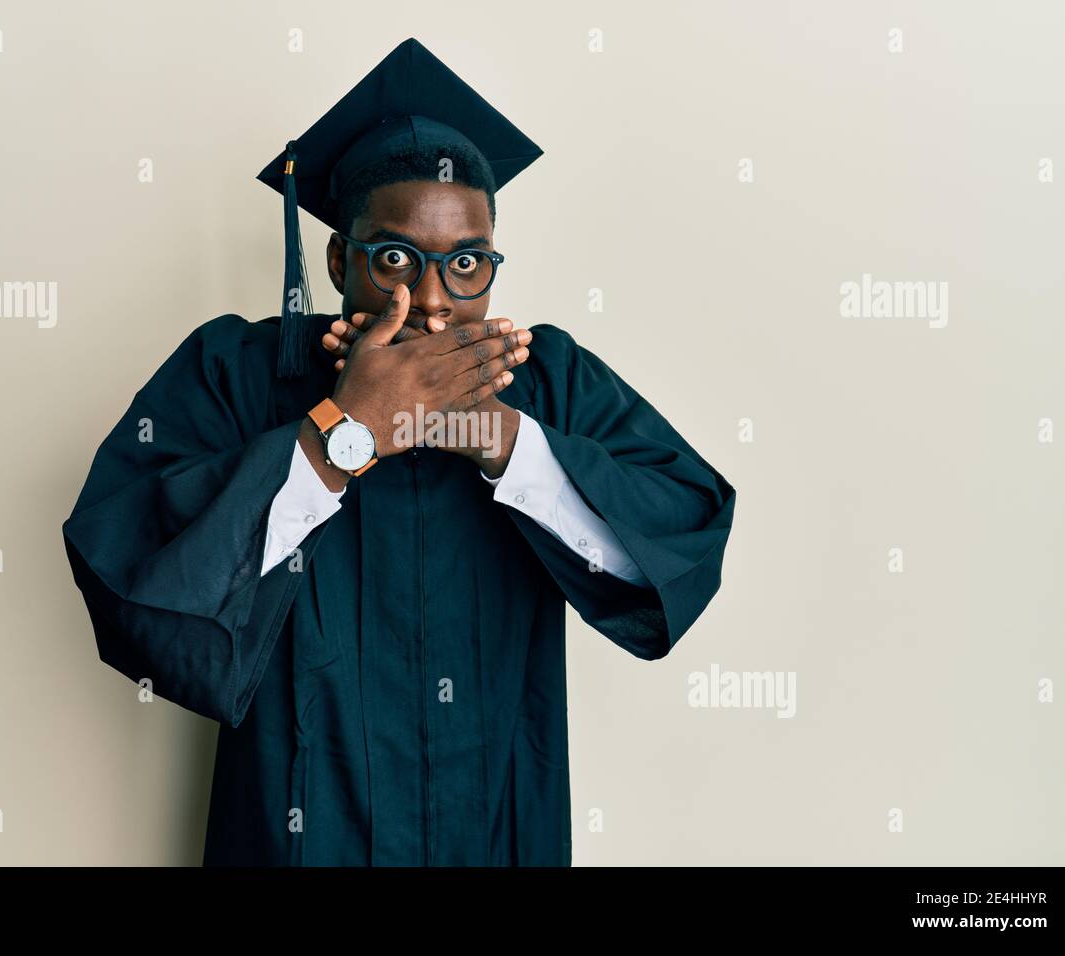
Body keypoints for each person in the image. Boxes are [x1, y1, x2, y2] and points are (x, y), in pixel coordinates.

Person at [62, 37, 736, 866]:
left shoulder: (543, 377)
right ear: (341, 259)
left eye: (465, 264)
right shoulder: (240, 372)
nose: (430, 300)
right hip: (297, 832)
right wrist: (343, 435)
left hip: (497, 825)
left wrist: (506, 443)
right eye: (394, 260)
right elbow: (135, 587)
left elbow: (685, 536)